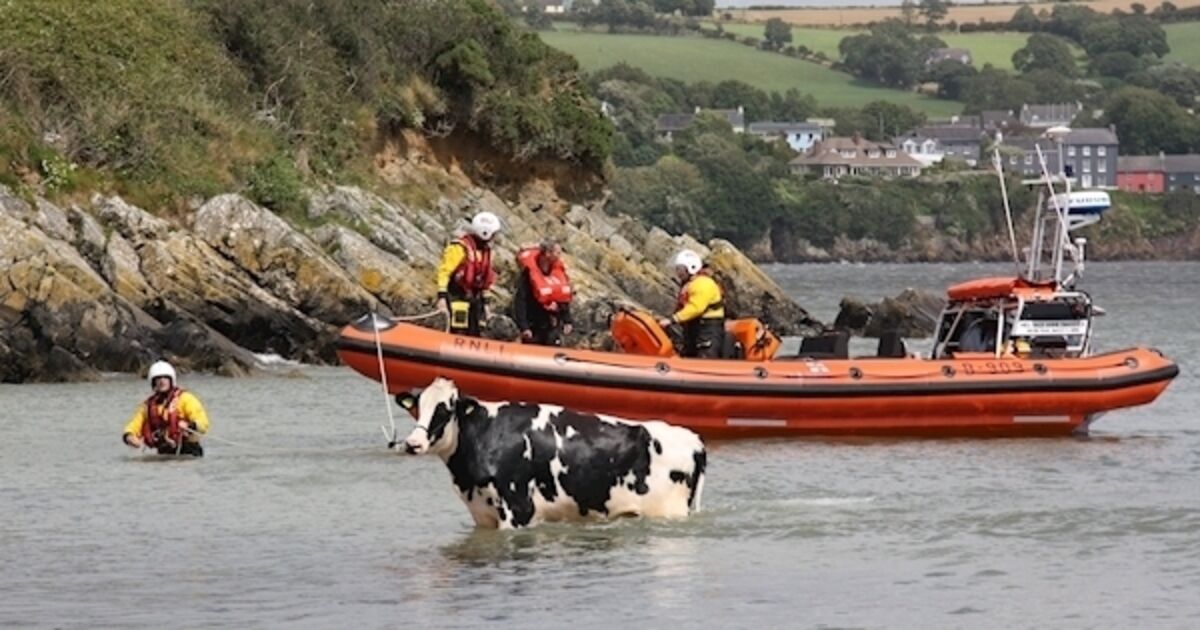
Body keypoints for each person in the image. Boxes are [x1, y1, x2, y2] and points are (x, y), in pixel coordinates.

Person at [122, 361, 210, 456]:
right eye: (158, 378)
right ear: (153, 382)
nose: (162, 381)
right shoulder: (148, 406)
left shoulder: (185, 398)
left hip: (189, 452)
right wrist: (129, 436)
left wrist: (190, 425)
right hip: (164, 453)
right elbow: (134, 424)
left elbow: (203, 422)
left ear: (171, 380)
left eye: (165, 378)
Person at [435, 211, 502, 337]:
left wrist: (486, 307)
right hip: (457, 297)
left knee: (474, 332)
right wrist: (442, 298)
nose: (495, 237)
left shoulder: (486, 252)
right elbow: (444, 272)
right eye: (494, 233)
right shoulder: (459, 248)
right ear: (486, 232)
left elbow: (485, 283)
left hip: (473, 300)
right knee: (459, 332)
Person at [659, 250, 726, 359]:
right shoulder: (690, 285)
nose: (678, 273)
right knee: (688, 353)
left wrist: (673, 319)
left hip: (708, 329)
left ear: (691, 267)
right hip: (694, 328)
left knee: (705, 356)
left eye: (680, 269)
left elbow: (696, 308)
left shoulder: (703, 284)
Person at [513, 240, 573, 346]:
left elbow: (563, 297)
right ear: (547, 254)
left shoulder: (558, 271)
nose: (560, 256)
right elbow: (520, 301)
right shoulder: (529, 274)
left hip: (551, 323)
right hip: (533, 323)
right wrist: (524, 327)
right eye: (557, 253)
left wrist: (567, 320)